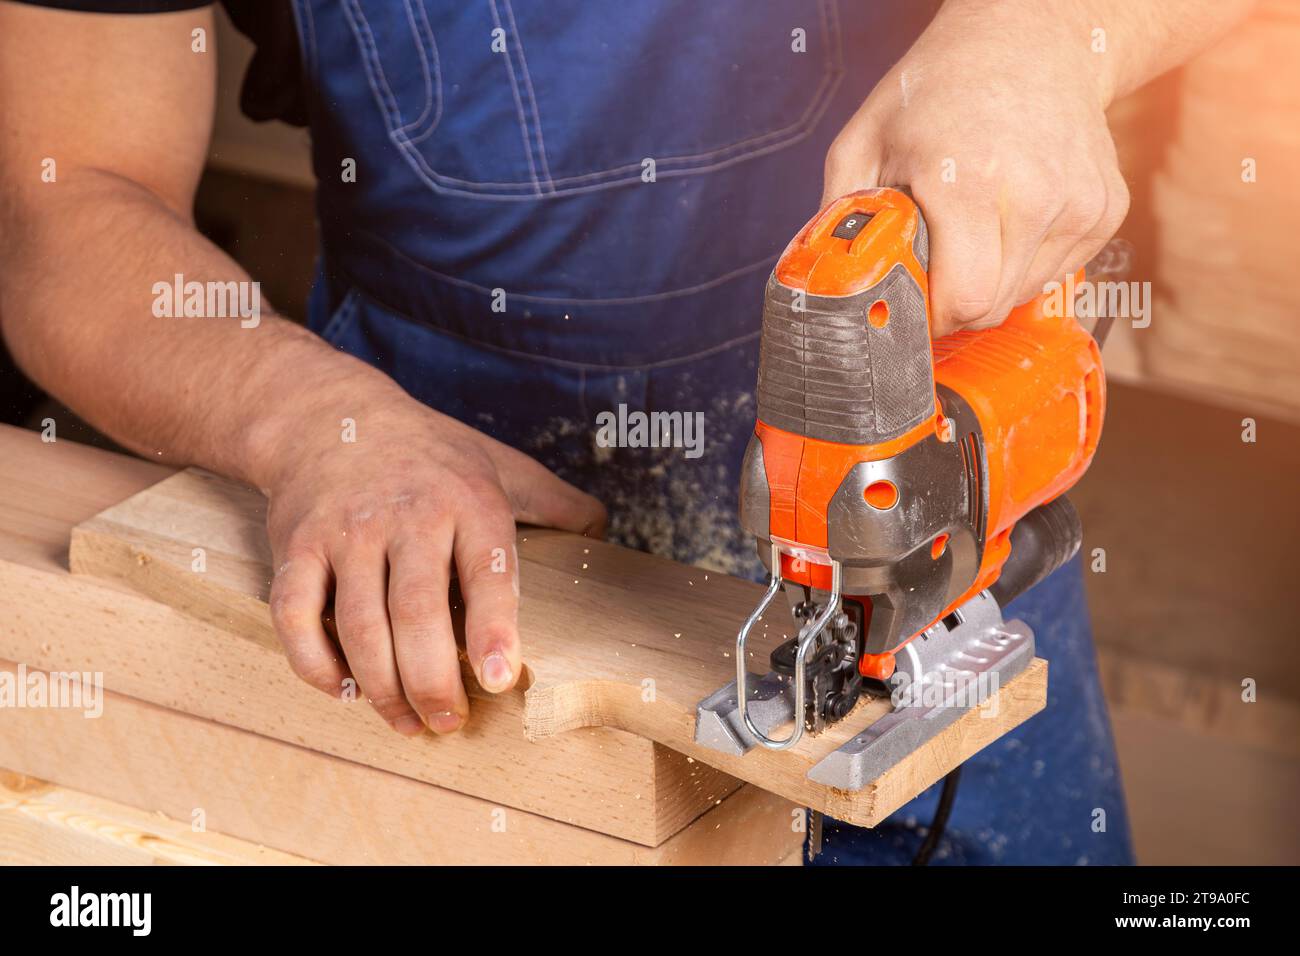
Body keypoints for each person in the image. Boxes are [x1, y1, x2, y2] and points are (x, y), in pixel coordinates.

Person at [0, 0, 1256, 864]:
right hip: (435, 478)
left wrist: (1038, 42)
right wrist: (313, 423)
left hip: (930, 473)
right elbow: (66, 206)